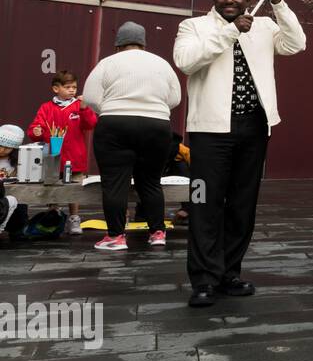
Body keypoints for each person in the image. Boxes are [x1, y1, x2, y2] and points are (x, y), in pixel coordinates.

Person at [173, 0, 306, 308]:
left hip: (253, 128)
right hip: (210, 130)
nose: (230, 0)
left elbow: (296, 43)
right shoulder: (194, 27)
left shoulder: (262, 25)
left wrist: (278, 3)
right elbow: (187, 61)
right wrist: (232, 31)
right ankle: (204, 279)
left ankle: (229, 273)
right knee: (205, 205)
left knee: (242, 206)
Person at [80, 22, 181, 251]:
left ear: (118, 45)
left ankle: (116, 237)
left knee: (115, 184)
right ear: (143, 43)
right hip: (156, 125)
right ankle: (157, 233)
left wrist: (112, 109)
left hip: (115, 124)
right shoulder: (161, 64)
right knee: (151, 182)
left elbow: (91, 97)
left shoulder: (108, 63)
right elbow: (174, 98)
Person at [27, 69, 97, 234]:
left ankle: (74, 218)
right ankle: (54, 216)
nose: (72, 90)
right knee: (53, 189)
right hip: (53, 158)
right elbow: (35, 127)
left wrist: (85, 109)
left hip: (75, 159)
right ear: (56, 89)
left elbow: (91, 124)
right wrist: (35, 131)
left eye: (74, 87)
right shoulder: (46, 108)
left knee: (74, 191)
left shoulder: (79, 106)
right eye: (68, 87)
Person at [0, 125, 31, 240]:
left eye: (6, 148)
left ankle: (17, 229)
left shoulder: (18, 161)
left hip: (12, 193)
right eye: (0, 146)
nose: (2, 150)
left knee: (19, 201)